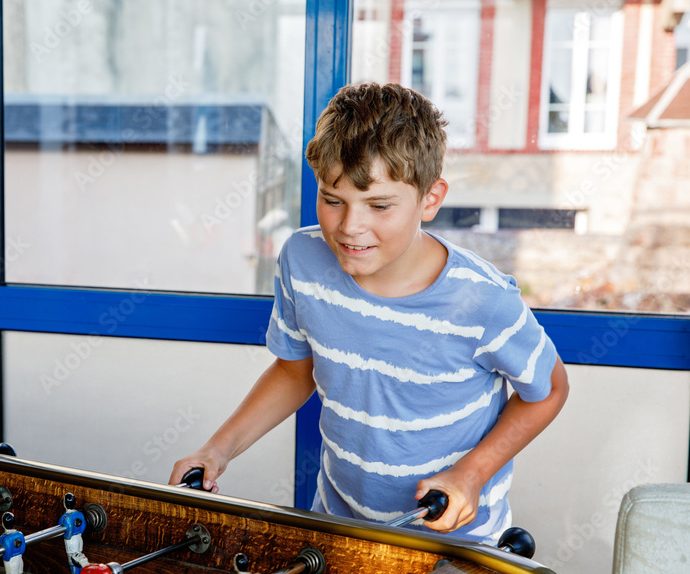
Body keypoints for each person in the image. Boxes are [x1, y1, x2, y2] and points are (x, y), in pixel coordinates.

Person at [169, 82, 569, 544]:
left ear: (431, 198)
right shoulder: (302, 259)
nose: (349, 227)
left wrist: (472, 474)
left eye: (379, 205)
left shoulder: (483, 299)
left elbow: (549, 388)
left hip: (456, 543)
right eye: (332, 200)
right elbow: (296, 370)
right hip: (340, 527)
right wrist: (217, 450)